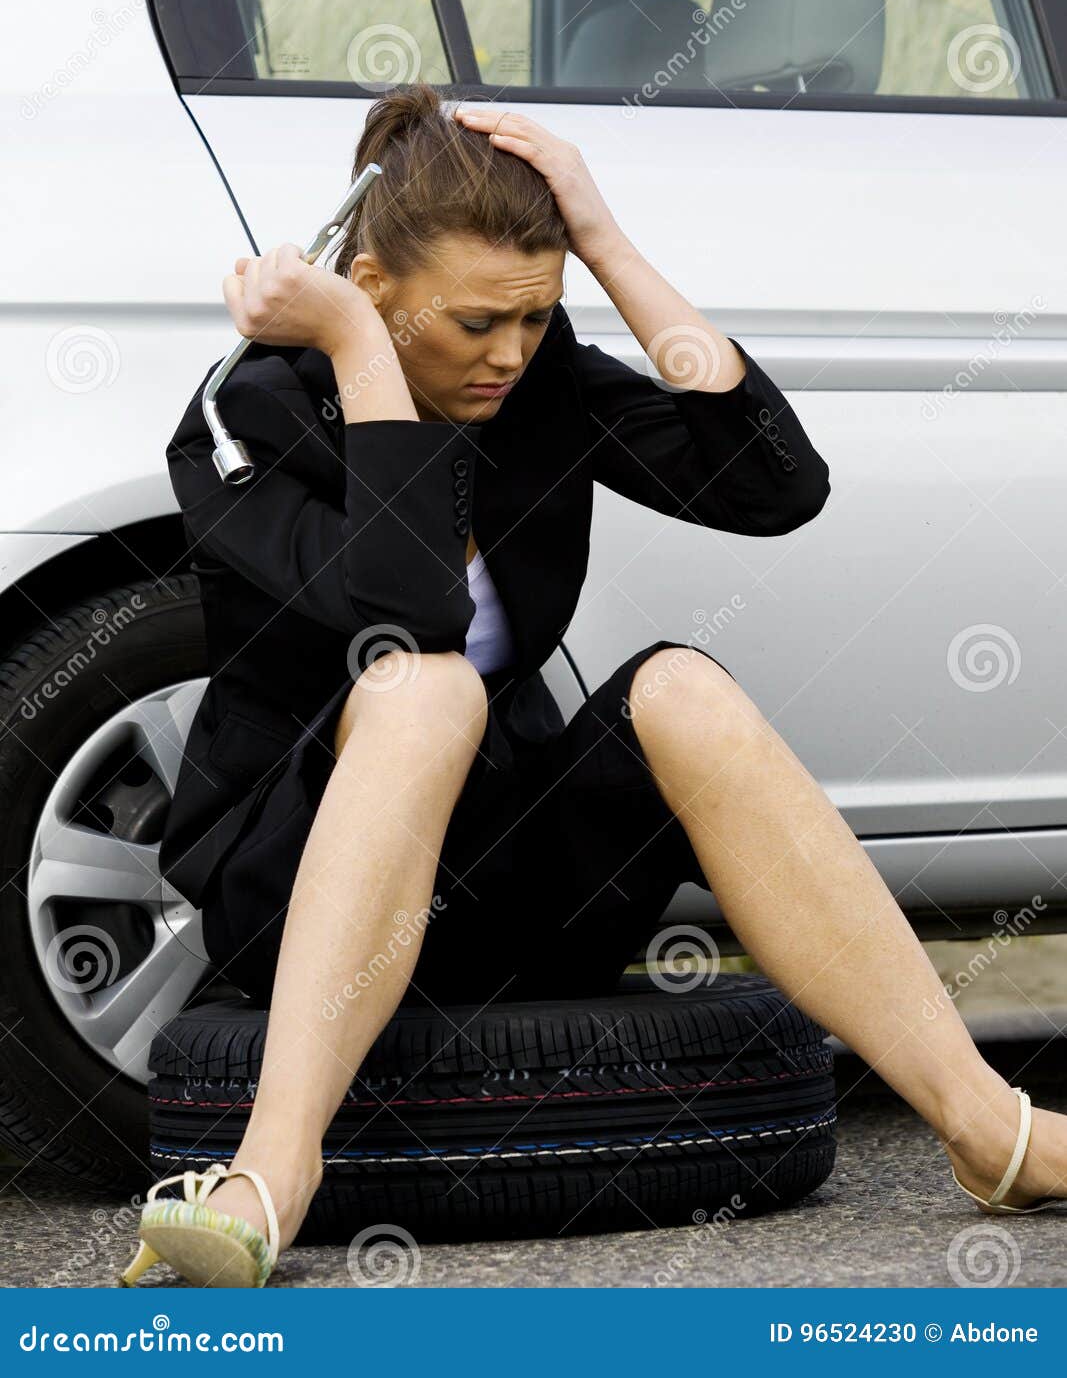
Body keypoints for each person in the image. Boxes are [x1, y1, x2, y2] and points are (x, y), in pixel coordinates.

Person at [121, 84, 1067, 1289]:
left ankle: (989, 1128)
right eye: (473, 322)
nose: (507, 354)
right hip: (295, 877)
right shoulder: (240, 416)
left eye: (535, 315)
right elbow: (410, 613)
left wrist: (610, 247)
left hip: (507, 885)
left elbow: (772, 486)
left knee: (679, 684)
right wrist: (358, 350)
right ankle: (270, 1173)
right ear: (366, 279)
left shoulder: (535, 378)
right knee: (424, 690)